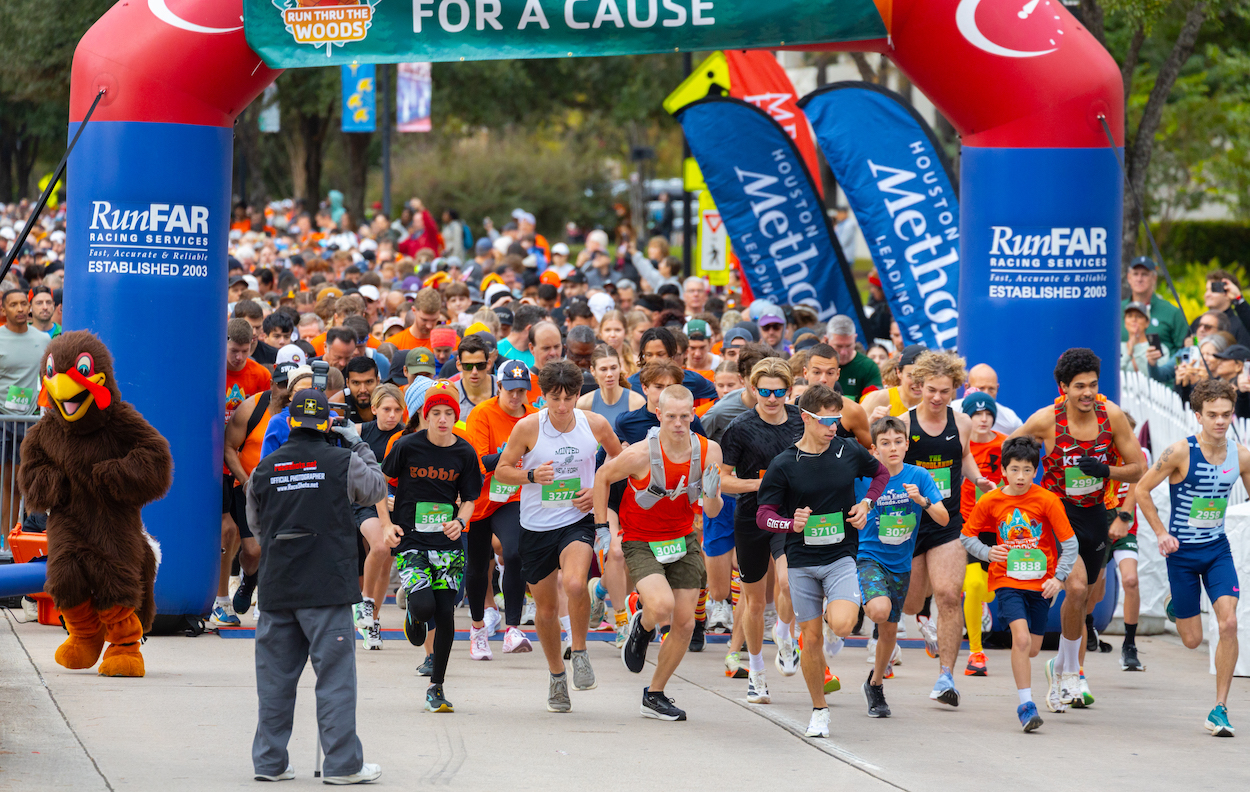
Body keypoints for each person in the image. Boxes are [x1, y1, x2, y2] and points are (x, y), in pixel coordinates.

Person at [244, 388, 386, 784]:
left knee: (274, 681)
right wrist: (359, 443)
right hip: (327, 585)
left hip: (277, 585)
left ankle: (269, 763)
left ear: (290, 422)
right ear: (327, 423)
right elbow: (376, 488)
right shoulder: (344, 461)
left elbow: (256, 526)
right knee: (335, 680)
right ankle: (342, 766)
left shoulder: (264, 468)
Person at [1012, 348, 1144, 711]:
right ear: (1063, 388)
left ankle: (1063, 667)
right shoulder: (1045, 420)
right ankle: (1071, 673)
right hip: (1056, 514)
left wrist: (1106, 472)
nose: (1088, 393)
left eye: (1094, 385)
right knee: (1075, 585)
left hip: (1095, 514)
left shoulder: (1111, 416)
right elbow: (1012, 449)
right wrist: (1023, 487)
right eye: (1080, 386)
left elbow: (1138, 468)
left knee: (1085, 597)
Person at [755, 385, 889, 737]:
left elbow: (881, 474)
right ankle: (819, 710)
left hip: (840, 554)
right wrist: (789, 523)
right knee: (811, 640)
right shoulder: (784, 464)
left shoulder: (848, 450)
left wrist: (867, 504)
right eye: (827, 420)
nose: (834, 427)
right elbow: (763, 515)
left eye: (837, 420)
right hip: (800, 560)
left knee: (843, 624)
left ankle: (834, 612)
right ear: (806, 418)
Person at [494, 361, 623, 712]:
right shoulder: (527, 427)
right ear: (543, 396)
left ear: (578, 394)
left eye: (569, 398)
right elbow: (502, 472)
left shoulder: (594, 423)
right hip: (536, 526)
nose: (563, 406)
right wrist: (532, 476)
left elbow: (620, 463)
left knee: (578, 584)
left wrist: (597, 492)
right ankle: (556, 677)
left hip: (576, 521)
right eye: (555, 399)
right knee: (547, 609)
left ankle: (579, 651)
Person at [597, 384, 724, 721]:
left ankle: (654, 694)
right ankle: (644, 621)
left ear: (693, 414)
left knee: (684, 623)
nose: (679, 424)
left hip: (682, 539)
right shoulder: (640, 453)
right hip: (640, 539)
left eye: (685, 416)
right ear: (659, 415)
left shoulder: (709, 452)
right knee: (663, 606)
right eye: (671, 417)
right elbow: (602, 477)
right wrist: (600, 529)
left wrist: (712, 494)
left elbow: (711, 512)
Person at [1134, 378, 1246, 737]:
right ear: (1198, 415)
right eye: (1212, 415)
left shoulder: (1240, 455)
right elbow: (1141, 490)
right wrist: (1161, 534)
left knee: (1228, 623)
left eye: (1226, 415)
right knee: (1192, 640)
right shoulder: (1180, 451)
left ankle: (1220, 708)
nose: (1219, 421)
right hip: (1182, 554)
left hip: (1217, 550)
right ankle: (1174, 602)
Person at [960, 436, 1078, 732]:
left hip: (1041, 584)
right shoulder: (991, 500)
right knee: (1021, 640)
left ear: (1035, 471)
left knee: (1034, 648)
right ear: (1003, 471)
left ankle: (1053, 669)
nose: (1021, 476)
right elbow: (966, 536)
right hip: (1006, 581)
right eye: (1015, 470)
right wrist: (987, 552)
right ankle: (1026, 704)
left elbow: (1070, 543)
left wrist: (1059, 579)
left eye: (1027, 470)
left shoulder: (1047, 500)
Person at [897, 350, 992, 707]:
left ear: (955, 389)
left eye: (945, 391)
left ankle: (946, 676)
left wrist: (978, 479)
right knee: (909, 603)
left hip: (946, 522)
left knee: (950, 595)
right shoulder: (903, 424)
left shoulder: (962, 423)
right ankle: (923, 625)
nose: (937, 398)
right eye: (931, 390)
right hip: (908, 523)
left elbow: (963, 455)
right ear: (919, 386)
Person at [380, 382, 481, 713]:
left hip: (448, 543)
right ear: (424, 416)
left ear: (456, 416)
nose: (441, 419)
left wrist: (461, 522)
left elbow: (470, 498)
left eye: (448, 413)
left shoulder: (464, 453)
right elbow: (381, 482)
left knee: (445, 613)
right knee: (424, 608)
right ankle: (412, 609)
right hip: (412, 539)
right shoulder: (407, 446)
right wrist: (386, 523)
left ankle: (436, 686)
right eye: (435, 413)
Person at [719, 357, 807, 701]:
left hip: (791, 517)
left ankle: (784, 633)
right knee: (754, 603)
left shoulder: (801, 421)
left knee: (789, 581)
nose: (772, 399)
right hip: (752, 517)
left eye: (780, 391)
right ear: (753, 389)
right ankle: (756, 670)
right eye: (765, 391)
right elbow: (724, 481)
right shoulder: (739, 427)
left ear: (789, 390)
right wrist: (761, 486)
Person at [857, 416, 948, 718]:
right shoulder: (863, 480)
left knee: (889, 632)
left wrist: (921, 500)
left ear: (907, 445)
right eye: (885, 443)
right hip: (869, 557)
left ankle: (875, 684)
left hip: (901, 565)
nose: (892, 447)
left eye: (898, 441)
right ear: (875, 449)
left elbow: (944, 518)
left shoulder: (919, 476)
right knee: (879, 611)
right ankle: (855, 599)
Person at [463, 360, 536, 658]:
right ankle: (478, 628)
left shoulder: (533, 417)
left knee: (515, 551)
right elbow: (481, 460)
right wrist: (516, 452)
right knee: (479, 567)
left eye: (522, 390)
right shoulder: (482, 413)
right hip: (480, 499)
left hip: (512, 496)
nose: (516, 396)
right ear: (499, 386)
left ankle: (513, 629)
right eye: (511, 389)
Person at [224, 361, 298, 619]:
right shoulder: (251, 408)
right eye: (281, 385)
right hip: (249, 488)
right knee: (253, 551)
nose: (286, 392)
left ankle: (269, 596)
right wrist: (245, 482)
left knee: (280, 547)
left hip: (290, 489)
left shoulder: (305, 413)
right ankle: (249, 580)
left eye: (292, 387)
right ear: (271, 385)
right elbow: (229, 447)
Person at [216, 318, 273, 627]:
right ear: (223, 342)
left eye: (245, 350)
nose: (238, 357)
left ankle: (245, 582)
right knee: (225, 529)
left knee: (243, 537)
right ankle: (221, 598)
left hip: (241, 463)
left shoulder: (260, 375)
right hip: (214, 462)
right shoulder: (212, 367)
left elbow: (267, 415)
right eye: (234, 350)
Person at [350, 383, 406, 648]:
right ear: (374, 409)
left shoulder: (405, 436)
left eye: (397, 409)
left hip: (396, 505)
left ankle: (372, 620)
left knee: (385, 562)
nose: (392, 415)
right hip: (365, 501)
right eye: (386, 409)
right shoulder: (359, 432)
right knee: (381, 547)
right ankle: (365, 602)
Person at [958, 392, 1004, 677]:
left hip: (1001, 530)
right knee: (974, 586)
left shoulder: (1004, 445)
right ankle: (976, 652)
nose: (983, 419)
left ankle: (982, 607)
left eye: (987, 413)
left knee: (989, 590)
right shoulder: (960, 446)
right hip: (967, 527)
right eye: (976, 414)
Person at [0, 288, 50, 533]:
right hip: (2, 421)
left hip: (30, 422)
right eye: (13, 305)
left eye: (23, 303)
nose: (20, 309)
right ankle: (5, 542)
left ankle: (24, 539)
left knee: (25, 483)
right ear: (3, 309)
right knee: (7, 484)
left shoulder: (43, 340)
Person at [801, 343, 873, 447]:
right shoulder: (790, 408)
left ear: (837, 374)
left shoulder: (853, 411)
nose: (823, 379)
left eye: (829, 373)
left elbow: (872, 449)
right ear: (805, 373)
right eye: (817, 372)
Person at [1121, 257, 1188, 358]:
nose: (1139, 279)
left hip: (1161, 370)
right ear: (1129, 277)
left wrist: (1167, 369)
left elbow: (1185, 349)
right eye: (1135, 274)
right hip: (1121, 371)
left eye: (1144, 274)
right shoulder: (1116, 310)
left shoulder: (1172, 312)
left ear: (1154, 278)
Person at [950, 364, 1024, 435]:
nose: (986, 394)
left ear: (997, 388)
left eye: (991, 389)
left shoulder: (1010, 420)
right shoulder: (950, 412)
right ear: (966, 387)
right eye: (981, 388)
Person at [824, 315, 882, 401]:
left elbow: (876, 401)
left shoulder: (868, 367)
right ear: (826, 340)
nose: (844, 352)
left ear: (855, 339)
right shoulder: (817, 363)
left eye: (848, 346)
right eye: (838, 346)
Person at [862, 344, 926, 421]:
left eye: (923, 376)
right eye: (911, 376)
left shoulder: (935, 402)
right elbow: (855, 430)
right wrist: (872, 422)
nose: (917, 382)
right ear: (899, 372)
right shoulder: (878, 399)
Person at [1121, 301, 1173, 383]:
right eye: (1129, 316)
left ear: (1147, 323)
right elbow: (1114, 375)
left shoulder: (1157, 348)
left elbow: (1156, 378)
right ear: (1125, 322)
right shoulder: (1118, 347)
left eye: (1139, 316)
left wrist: (1136, 349)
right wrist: (1128, 354)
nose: (1134, 320)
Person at [454, 334, 496, 418]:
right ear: (459, 365)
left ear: (488, 364)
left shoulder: (504, 389)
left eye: (480, 365)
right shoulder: (451, 394)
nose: (474, 372)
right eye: (468, 366)